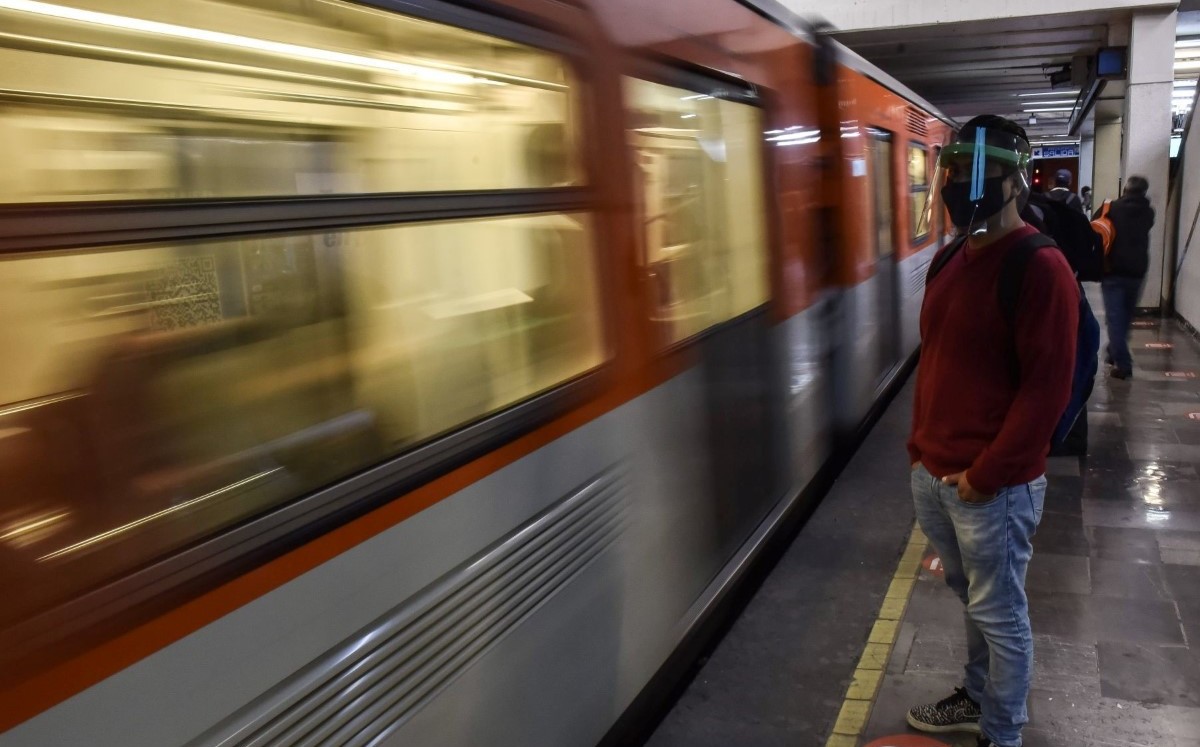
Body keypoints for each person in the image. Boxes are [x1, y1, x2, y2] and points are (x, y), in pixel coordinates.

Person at [906, 115, 1080, 747]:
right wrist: (918, 450)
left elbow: (1046, 392)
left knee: (1002, 616)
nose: (960, 184)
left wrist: (986, 476)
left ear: (1015, 183)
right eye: (952, 171)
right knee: (976, 603)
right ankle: (977, 698)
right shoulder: (950, 258)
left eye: (978, 173)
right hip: (936, 474)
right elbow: (936, 360)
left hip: (992, 488)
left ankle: (1001, 734)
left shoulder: (1041, 268)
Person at [1101, 175, 1156, 379]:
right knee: (1125, 317)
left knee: (1115, 318)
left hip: (1113, 270)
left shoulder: (1112, 208)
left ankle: (1123, 365)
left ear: (1125, 189)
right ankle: (1114, 351)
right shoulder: (1149, 212)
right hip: (1138, 271)